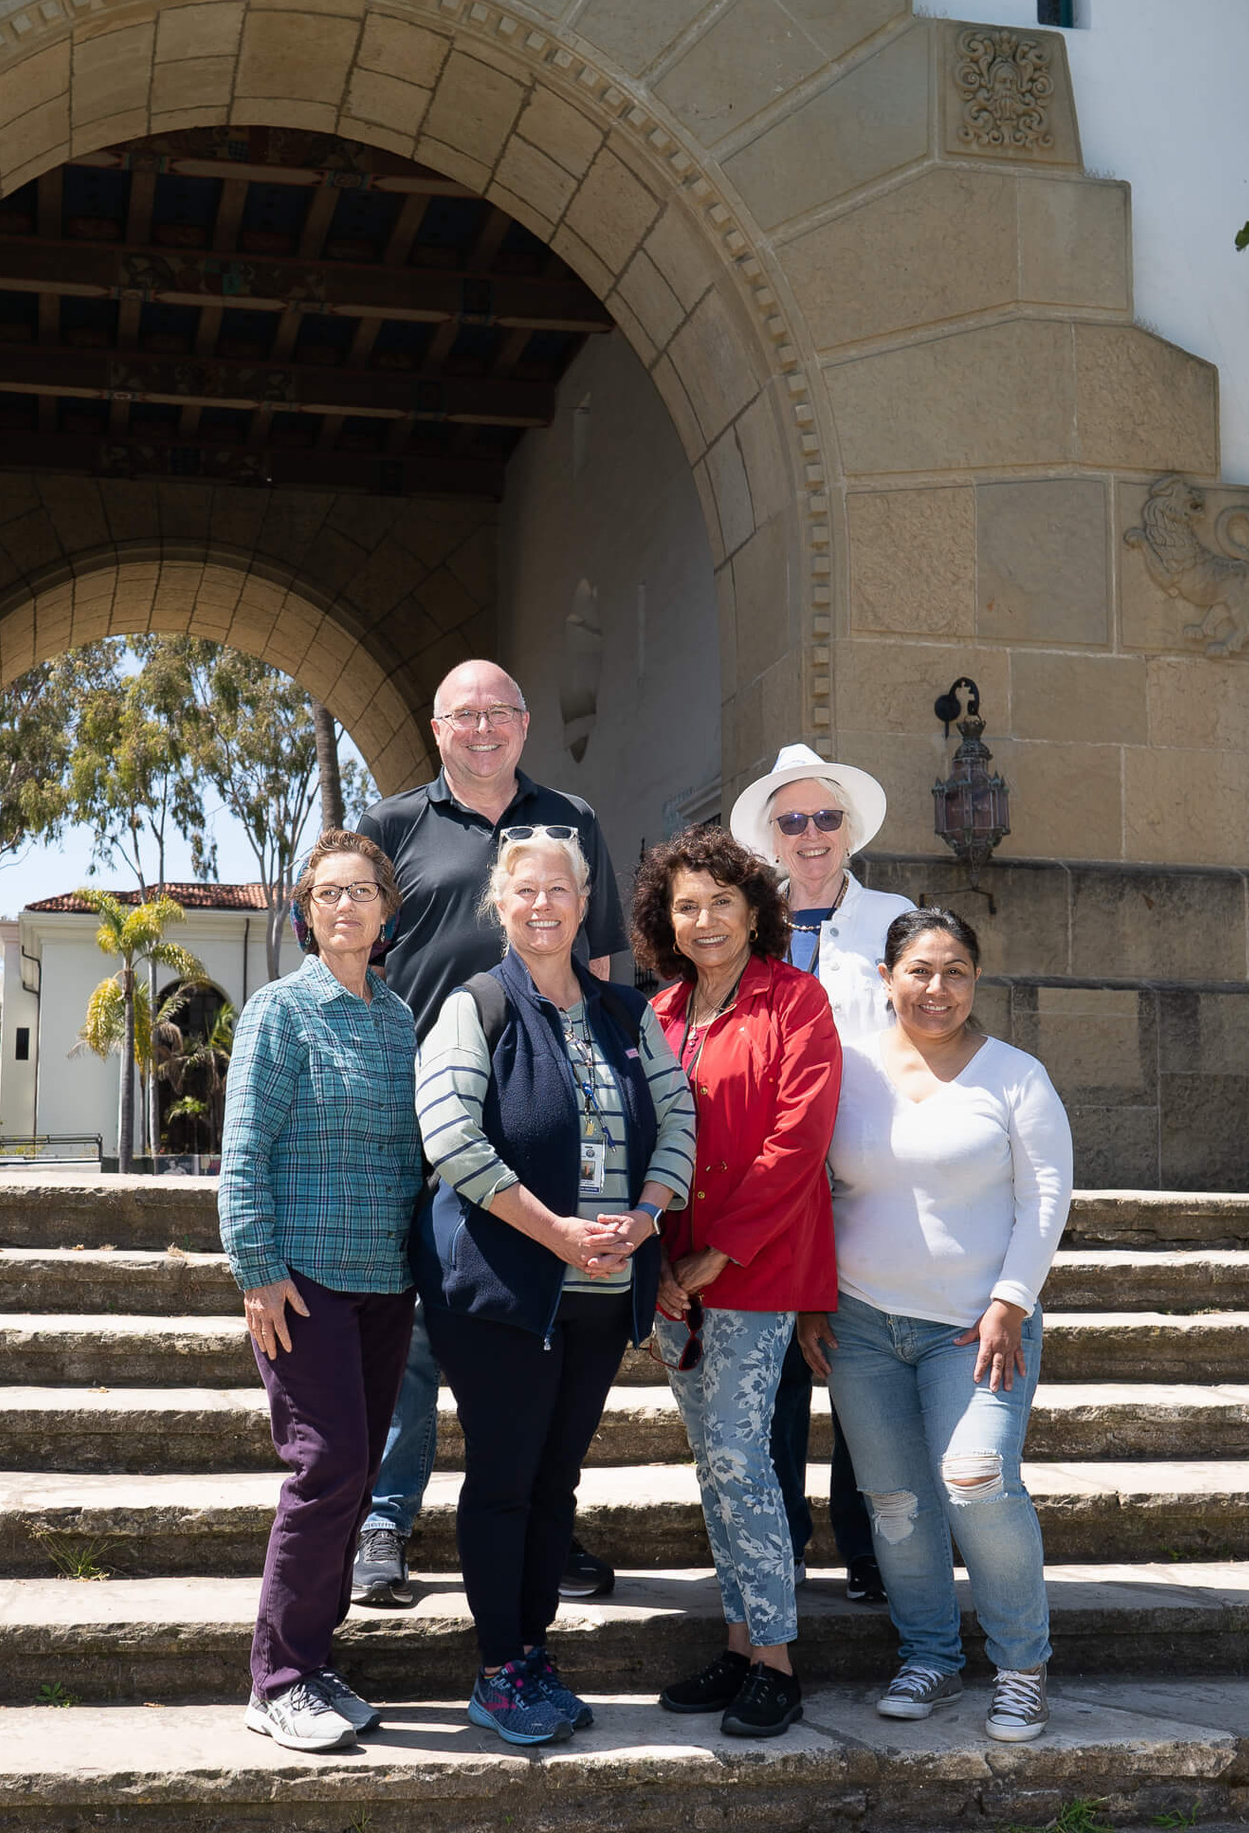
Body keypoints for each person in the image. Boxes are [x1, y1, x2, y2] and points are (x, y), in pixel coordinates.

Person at [352, 660, 629, 1609]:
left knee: (537, 1319)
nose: (483, 729)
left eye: (501, 713)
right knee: (414, 1326)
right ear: (437, 728)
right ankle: (386, 1522)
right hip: (419, 1112)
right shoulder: (394, 826)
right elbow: (356, 959)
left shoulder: (571, 821)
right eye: (464, 715)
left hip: (544, 1114)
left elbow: (594, 968)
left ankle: (544, 1519)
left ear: (523, 724)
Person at [411, 829, 697, 1746]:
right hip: (503, 1293)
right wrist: (560, 1235)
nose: (543, 905)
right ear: (500, 905)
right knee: (504, 1480)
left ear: (584, 905)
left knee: (555, 1484)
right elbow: (453, 1138)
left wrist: (649, 1214)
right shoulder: (478, 1005)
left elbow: (678, 1115)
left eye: (560, 890)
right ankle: (499, 1670)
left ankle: (531, 1651)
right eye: (524, 891)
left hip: (602, 1297)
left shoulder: (627, 1012)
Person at [798, 909, 1073, 1746]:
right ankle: (929, 1655)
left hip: (977, 1326)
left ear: (977, 980)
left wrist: (1011, 1300)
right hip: (862, 1324)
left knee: (977, 1478)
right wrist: (813, 1294)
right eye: (919, 970)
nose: (937, 988)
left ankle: (1022, 1667)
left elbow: (1047, 1196)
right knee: (894, 1503)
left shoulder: (1015, 1076)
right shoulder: (845, 1072)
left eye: (955, 970)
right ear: (887, 979)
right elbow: (812, 1185)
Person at [217, 830, 423, 1753]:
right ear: (306, 913)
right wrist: (255, 1265)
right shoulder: (279, 1012)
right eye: (327, 893)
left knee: (359, 1471)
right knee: (326, 1466)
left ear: (387, 910)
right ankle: (281, 1677)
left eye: (362, 891)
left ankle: (316, 1655)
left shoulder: (399, 1018)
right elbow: (244, 1152)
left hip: (386, 1283)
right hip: (300, 1281)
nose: (345, 906)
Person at [634, 826, 841, 1741]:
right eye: (688, 905)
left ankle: (779, 1664)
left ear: (757, 910)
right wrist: (658, 1267)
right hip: (676, 1278)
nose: (706, 919)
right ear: (666, 922)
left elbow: (797, 1142)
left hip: (759, 1268)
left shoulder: (798, 1003)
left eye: (723, 901)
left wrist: (719, 1252)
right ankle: (740, 1640)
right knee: (715, 1468)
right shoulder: (657, 1015)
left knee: (737, 1453)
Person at [730, 743, 913, 1604]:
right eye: (793, 820)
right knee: (774, 1373)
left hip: (865, 1179)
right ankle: (783, 1542)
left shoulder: (894, 918)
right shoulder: (742, 922)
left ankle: (869, 1546)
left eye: (826, 818)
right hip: (770, 1185)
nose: (810, 834)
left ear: (849, 830)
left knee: (862, 1369)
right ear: (771, 834)